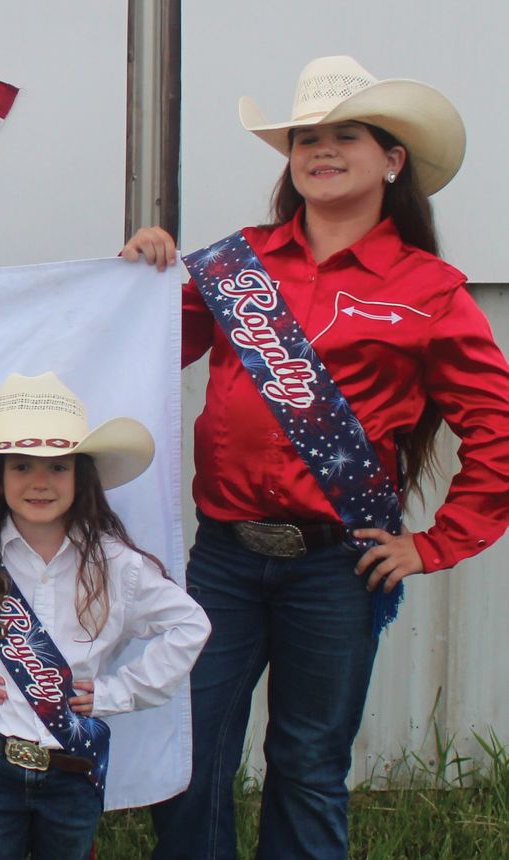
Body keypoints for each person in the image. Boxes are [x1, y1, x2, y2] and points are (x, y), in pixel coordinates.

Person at [124, 57, 509, 859]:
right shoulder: (235, 265)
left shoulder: (429, 288)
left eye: (345, 137)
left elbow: (498, 428)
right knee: (190, 753)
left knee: (307, 763)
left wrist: (436, 544)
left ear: (391, 160)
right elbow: (139, 348)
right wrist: (146, 273)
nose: (321, 151)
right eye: (306, 138)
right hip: (225, 556)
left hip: (340, 566)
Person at [0, 372, 209, 860]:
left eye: (57, 467)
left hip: (72, 767)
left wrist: (121, 692)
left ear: (81, 476)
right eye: (22, 466)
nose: (39, 482)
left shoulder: (116, 566)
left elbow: (189, 625)